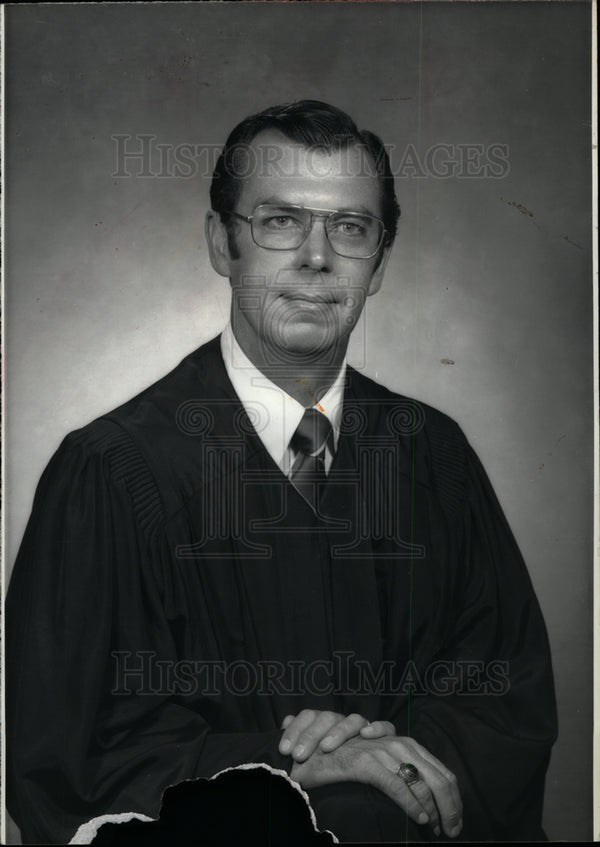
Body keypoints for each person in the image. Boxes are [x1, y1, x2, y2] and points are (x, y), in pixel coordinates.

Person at [6, 100, 557, 844]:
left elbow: (504, 707)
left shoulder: (436, 458)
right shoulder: (111, 471)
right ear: (221, 242)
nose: (317, 257)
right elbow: (67, 752)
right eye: (280, 221)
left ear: (381, 262)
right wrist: (294, 769)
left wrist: (387, 775)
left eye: (350, 228)